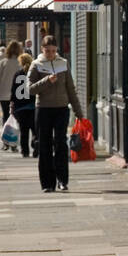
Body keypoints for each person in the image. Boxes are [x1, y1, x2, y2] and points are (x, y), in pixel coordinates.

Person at [28, 34, 83, 193]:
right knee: (44, 145)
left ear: (57, 50)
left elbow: (70, 89)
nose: (50, 54)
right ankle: (47, 183)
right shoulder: (36, 64)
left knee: (60, 143)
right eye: (47, 51)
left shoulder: (63, 63)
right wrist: (46, 81)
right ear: (42, 50)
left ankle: (62, 180)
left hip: (61, 109)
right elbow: (29, 89)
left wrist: (79, 112)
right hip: (43, 109)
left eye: (53, 51)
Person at [9, 53, 38, 159]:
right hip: (32, 106)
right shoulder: (34, 73)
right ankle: (36, 147)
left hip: (20, 107)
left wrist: (12, 105)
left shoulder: (17, 74)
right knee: (35, 129)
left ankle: (25, 151)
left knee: (24, 131)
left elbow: (13, 91)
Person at [0, 40, 22, 127]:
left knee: (6, 115)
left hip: (4, 95)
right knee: (17, 116)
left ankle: (6, 136)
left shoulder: (3, 63)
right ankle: (15, 135)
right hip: (19, 95)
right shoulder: (22, 64)